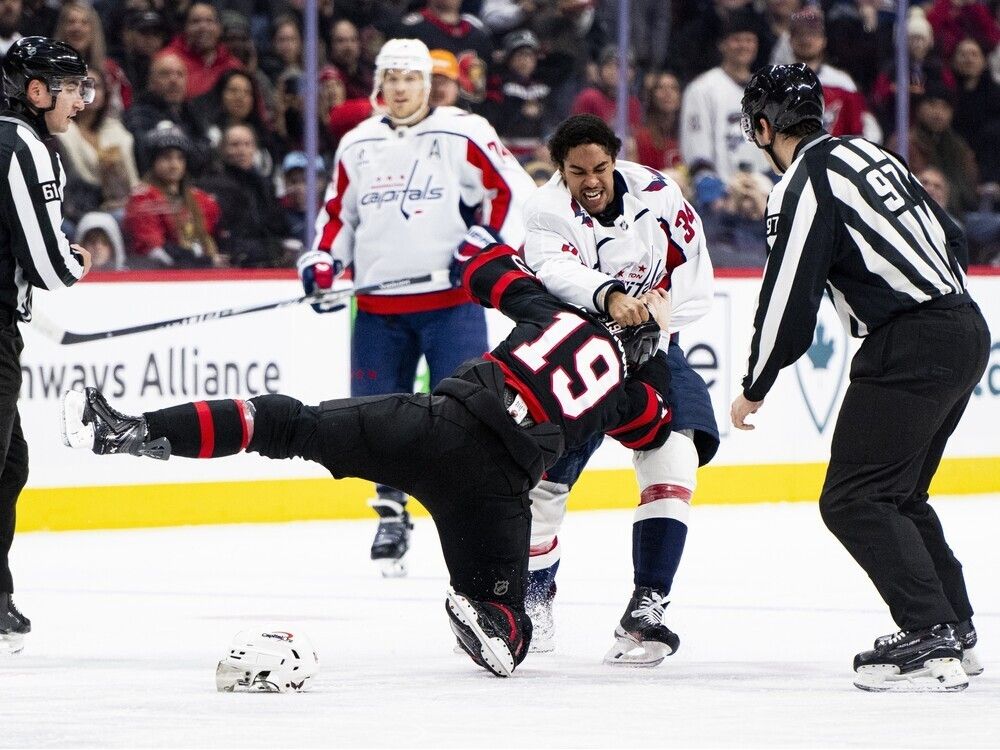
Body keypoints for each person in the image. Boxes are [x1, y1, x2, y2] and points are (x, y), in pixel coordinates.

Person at [61, 232, 676, 678]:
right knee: (509, 631)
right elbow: (655, 428)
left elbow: (482, 267)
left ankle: (131, 429)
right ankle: (491, 613)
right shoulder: (625, 395)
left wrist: (494, 257)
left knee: (285, 423)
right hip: (497, 489)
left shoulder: (553, 312)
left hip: (437, 425)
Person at [734, 63, 989, 692]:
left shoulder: (801, 183)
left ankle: (930, 630)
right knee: (900, 494)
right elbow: (953, 235)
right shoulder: (873, 154)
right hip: (964, 323)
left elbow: (788, 302)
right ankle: (955, 628)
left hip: (911, 343)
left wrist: (755, 384)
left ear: (765, 126)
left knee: (854, 497)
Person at [303, 38, 536, 577]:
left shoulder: (464, 132)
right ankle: (390, 509)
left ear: (427, 84)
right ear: (379, 85)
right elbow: (338, 218)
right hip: (379, 308)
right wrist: (322, 264)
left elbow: (510, 194)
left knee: (468, 414)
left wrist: (481, 245)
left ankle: (470, 512)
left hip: (451, 304)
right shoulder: (356, 145)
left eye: (412, 78)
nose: (401, 88)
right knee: (374, 414)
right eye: (393, 78)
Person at [520, 114, 718, 662]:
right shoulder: (544, 211)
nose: (591, 181)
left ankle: (646, 609)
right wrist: (609, 298)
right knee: (542, 487)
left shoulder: (659, 192)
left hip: (652, 348)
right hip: (574, 354)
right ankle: (533, 604)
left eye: (601, 168)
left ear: (616, 160)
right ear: (561, 169)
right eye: (578, 171)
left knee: (676, 457)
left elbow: (694, 271)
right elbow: (555, 273)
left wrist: (661, 320)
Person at [0, 36, 94, 654]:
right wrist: (78, 261)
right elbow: (49, 265)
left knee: (11, 465)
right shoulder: (27, 147)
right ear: (37, 92)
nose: (81, 103)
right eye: (73, 89)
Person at [123, 124, 222, 268]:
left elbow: (217, 236)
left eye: (180, 158)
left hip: (200, 271)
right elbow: (154, 251)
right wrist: (202, 262)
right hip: (160, 275)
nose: (174, 165)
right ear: (153, 161)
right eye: (166, 157)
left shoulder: (201, 199)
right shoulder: (142, 197)